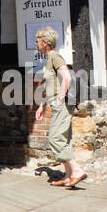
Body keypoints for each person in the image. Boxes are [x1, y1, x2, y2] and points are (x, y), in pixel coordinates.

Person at [34, 26, 87, 187]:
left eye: (37, 41)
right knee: (64, 139)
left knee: (55, 138)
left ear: (45, 42)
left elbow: (66, 77)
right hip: (58, 103)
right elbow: (51, 84)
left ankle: (77, 170)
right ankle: (68, 176)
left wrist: (60, 97)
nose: (36, 44)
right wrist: (42, 105)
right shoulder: (50, 59)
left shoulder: (55, 57)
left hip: (62, 104)